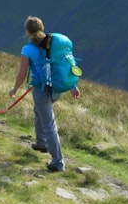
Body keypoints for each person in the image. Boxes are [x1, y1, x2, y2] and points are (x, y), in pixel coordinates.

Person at [8, 16, 80, 172]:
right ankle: (41, 143)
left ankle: (58, 162)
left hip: (42, 90)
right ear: (41, 28)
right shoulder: (53, 43)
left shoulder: (27, 49)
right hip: (57, 89)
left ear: (27, 31)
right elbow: (67, 64)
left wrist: (14, 90)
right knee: (39, 111)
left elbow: (22, 75)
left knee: (49, 124)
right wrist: (74, 85)